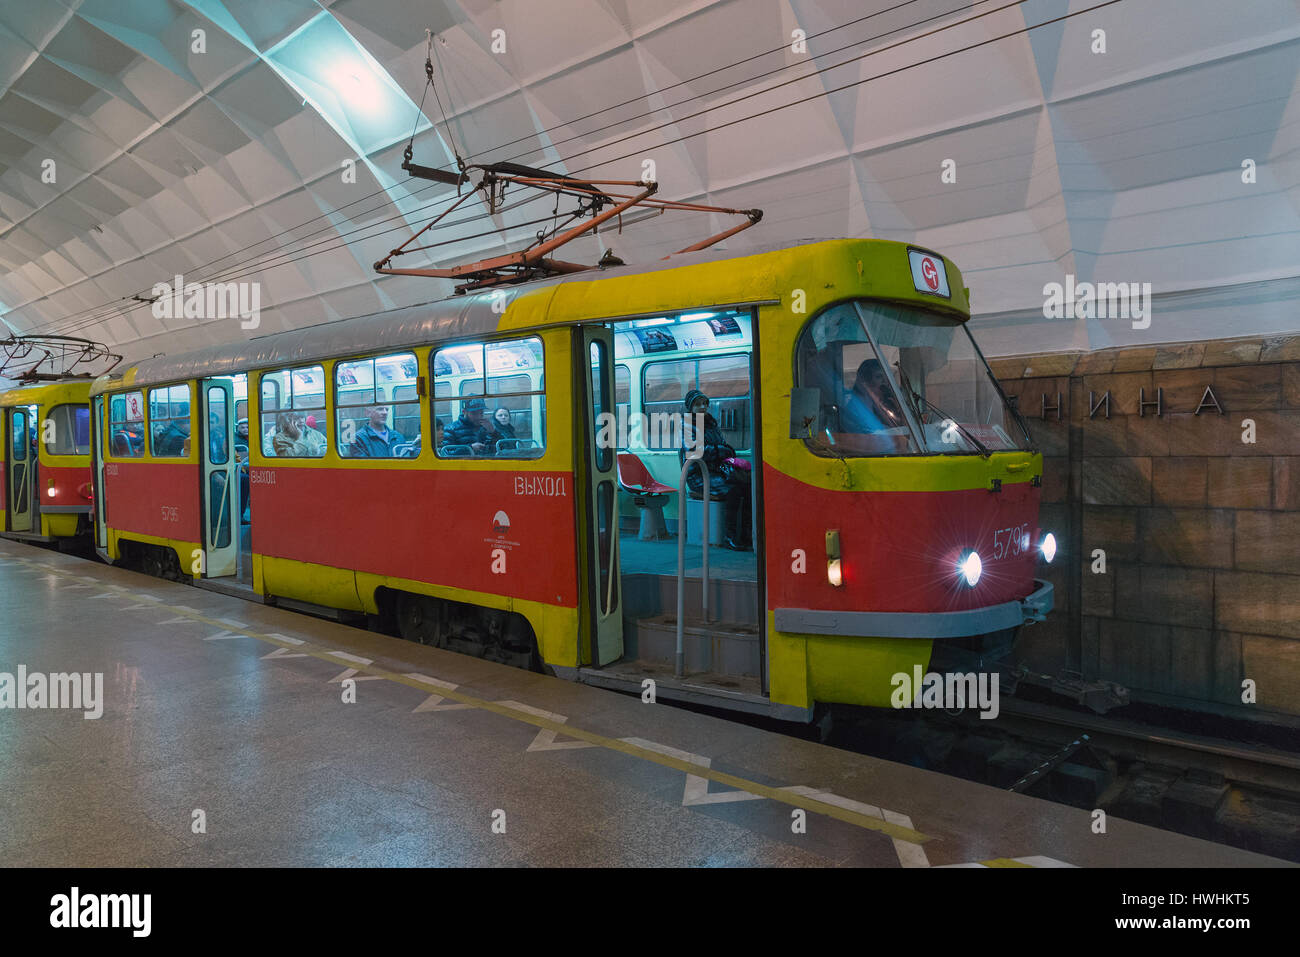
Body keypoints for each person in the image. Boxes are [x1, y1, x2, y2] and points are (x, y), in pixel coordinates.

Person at [678, 389, 751, 551]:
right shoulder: (687, 426)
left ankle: (746, 534)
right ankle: (730, 537)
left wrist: (725, 450)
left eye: (705, 403)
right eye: (698, 404)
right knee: (732, 490)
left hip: (715, 471)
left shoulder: (710, 424)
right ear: (690, 408)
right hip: (698, 474)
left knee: (747, 487)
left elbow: (721, 445)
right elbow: (696, 451)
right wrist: (720, 450)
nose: (702, 407)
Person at [840, 358, 905, 433]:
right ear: (865, 381)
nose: (884, 381)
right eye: (879, 377)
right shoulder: (856, 407)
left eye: (886, 377)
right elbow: (873, 432)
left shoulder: (879, 404)